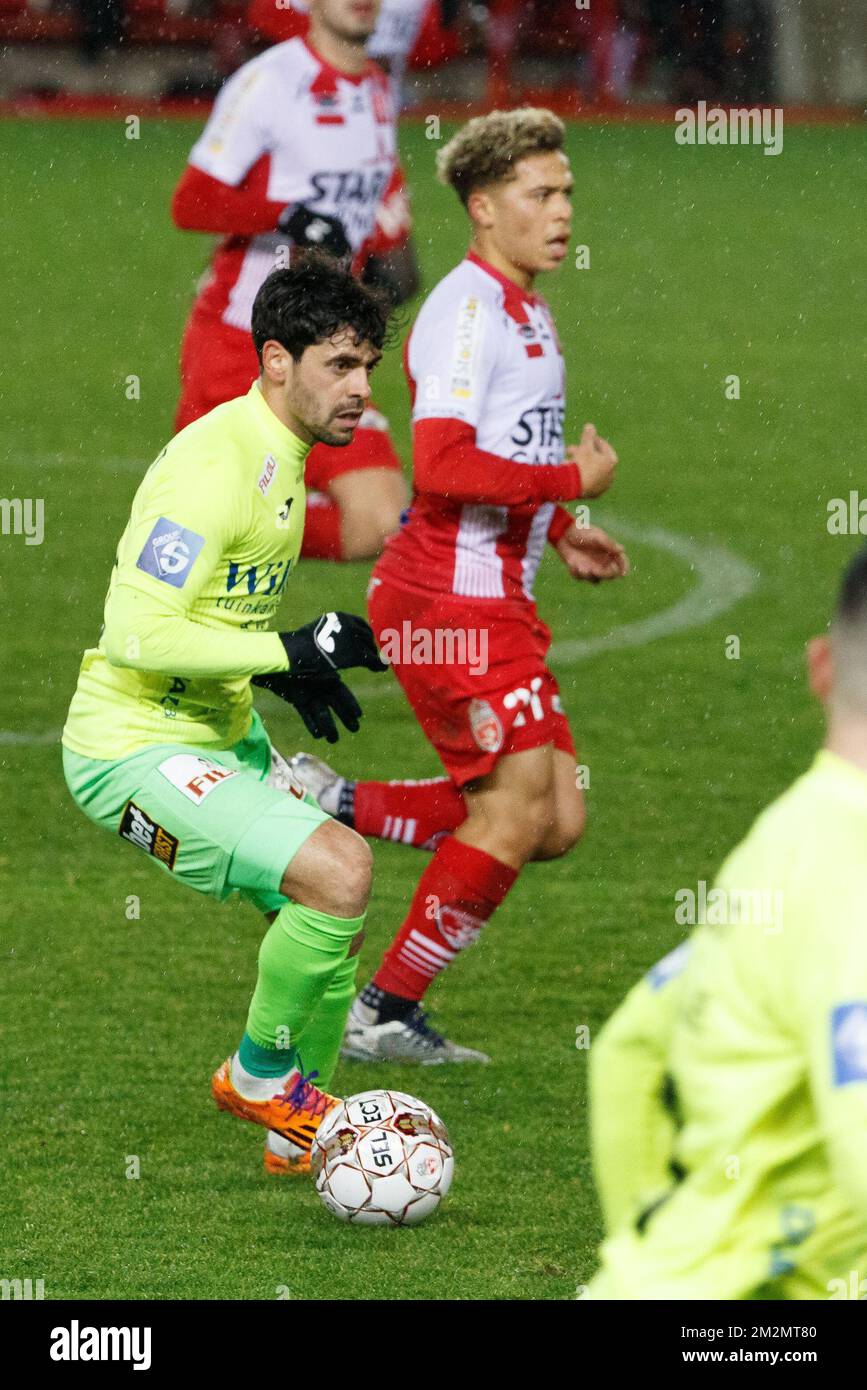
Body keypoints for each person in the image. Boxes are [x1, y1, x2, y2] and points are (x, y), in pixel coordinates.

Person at [289, 109, 627, 1064]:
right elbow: (440, 467)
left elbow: (500, 452)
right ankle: (382, 1010)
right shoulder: (468, 312)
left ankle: (337, 805)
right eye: (541, 194)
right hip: (448, 599)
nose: (562, 212)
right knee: (514, 808)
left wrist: (562, 532)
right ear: (484, 208)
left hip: (493, 596)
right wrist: (569, 484)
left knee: (555, 818)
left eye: (565, 193)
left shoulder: (526, 307)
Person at [62, 257, 391, 1178]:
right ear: (276, 361)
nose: (362, 390)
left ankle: (302, 1127)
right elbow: (136, 631)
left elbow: (216, 615)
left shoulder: (283, 458)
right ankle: (260, 1081)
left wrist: (278, 677)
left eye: (367, 366)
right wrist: (284, 652)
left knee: (333, 904)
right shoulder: (215, 466)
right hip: (128, 748)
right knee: (339, 867)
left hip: (211, 730)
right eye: (340, 365)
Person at [582, 544, 867, 1300]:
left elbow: (625, 1050)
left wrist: (650, 1248)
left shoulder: (784, 840)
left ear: (819, 668)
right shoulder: (851, 875)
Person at [171, 0, 407, 564]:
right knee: (190, 548)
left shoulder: (377, 89)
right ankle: (212, 530)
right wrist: (288, 214)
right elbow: (191, 202)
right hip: (242, 343)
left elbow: (375, 207)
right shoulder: (270, 82)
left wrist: (387, 250)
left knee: (381, 520)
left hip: (328, 346)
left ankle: (229, 530)